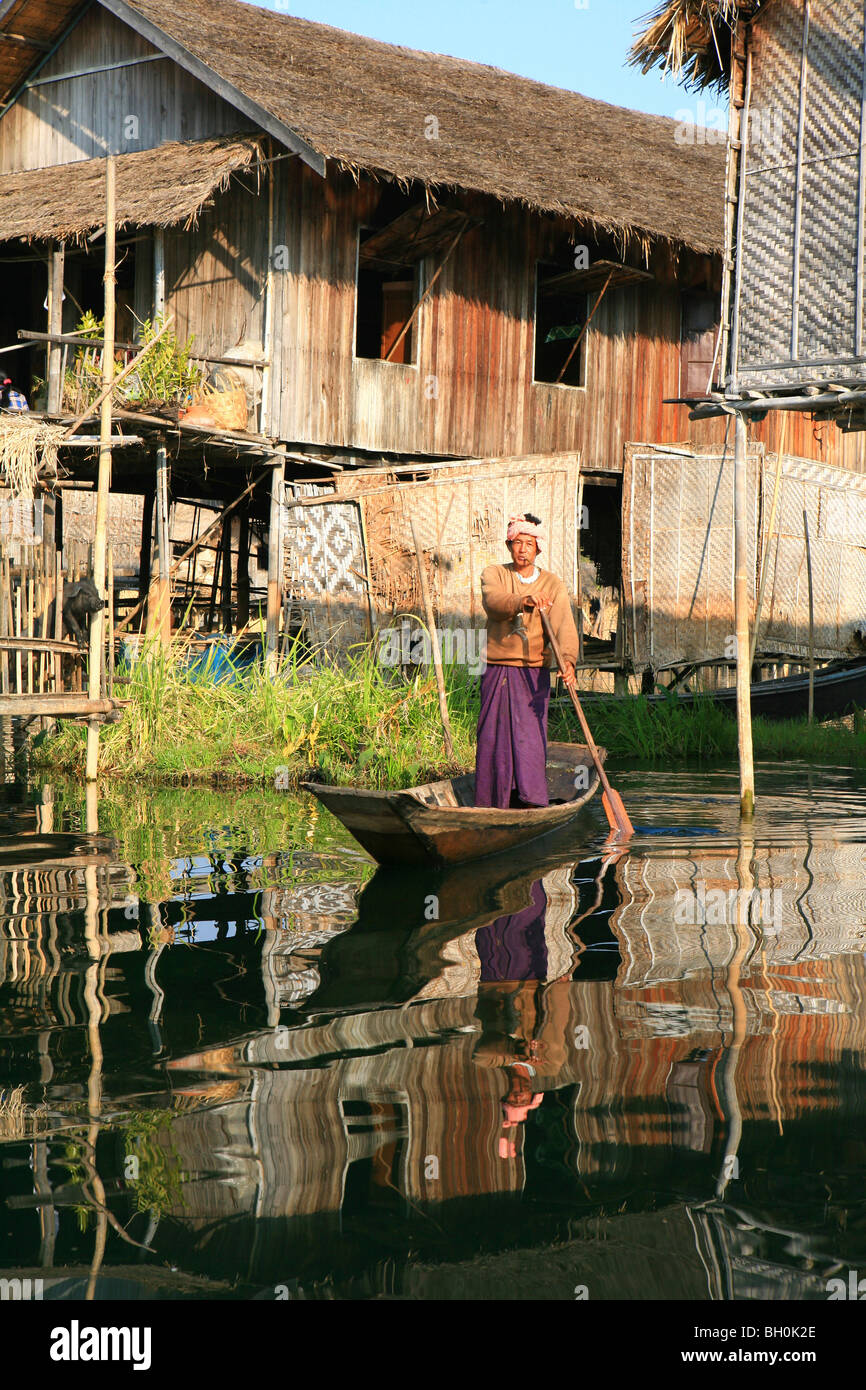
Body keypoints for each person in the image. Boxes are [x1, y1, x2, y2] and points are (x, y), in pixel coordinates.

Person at [475, 513, 579, 808]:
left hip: (533, 673)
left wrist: (568, 662)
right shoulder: (494, 574)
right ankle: (492, 801)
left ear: (538, 549)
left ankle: (531, 799)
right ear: (509, 546)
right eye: (517, 543)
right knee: (492, 740)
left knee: (529, 741)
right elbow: (494, 603)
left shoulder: (552, 584)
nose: (522, 549)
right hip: (496, 668)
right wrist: (524, 600)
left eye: (529, 544)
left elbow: (563, 628)